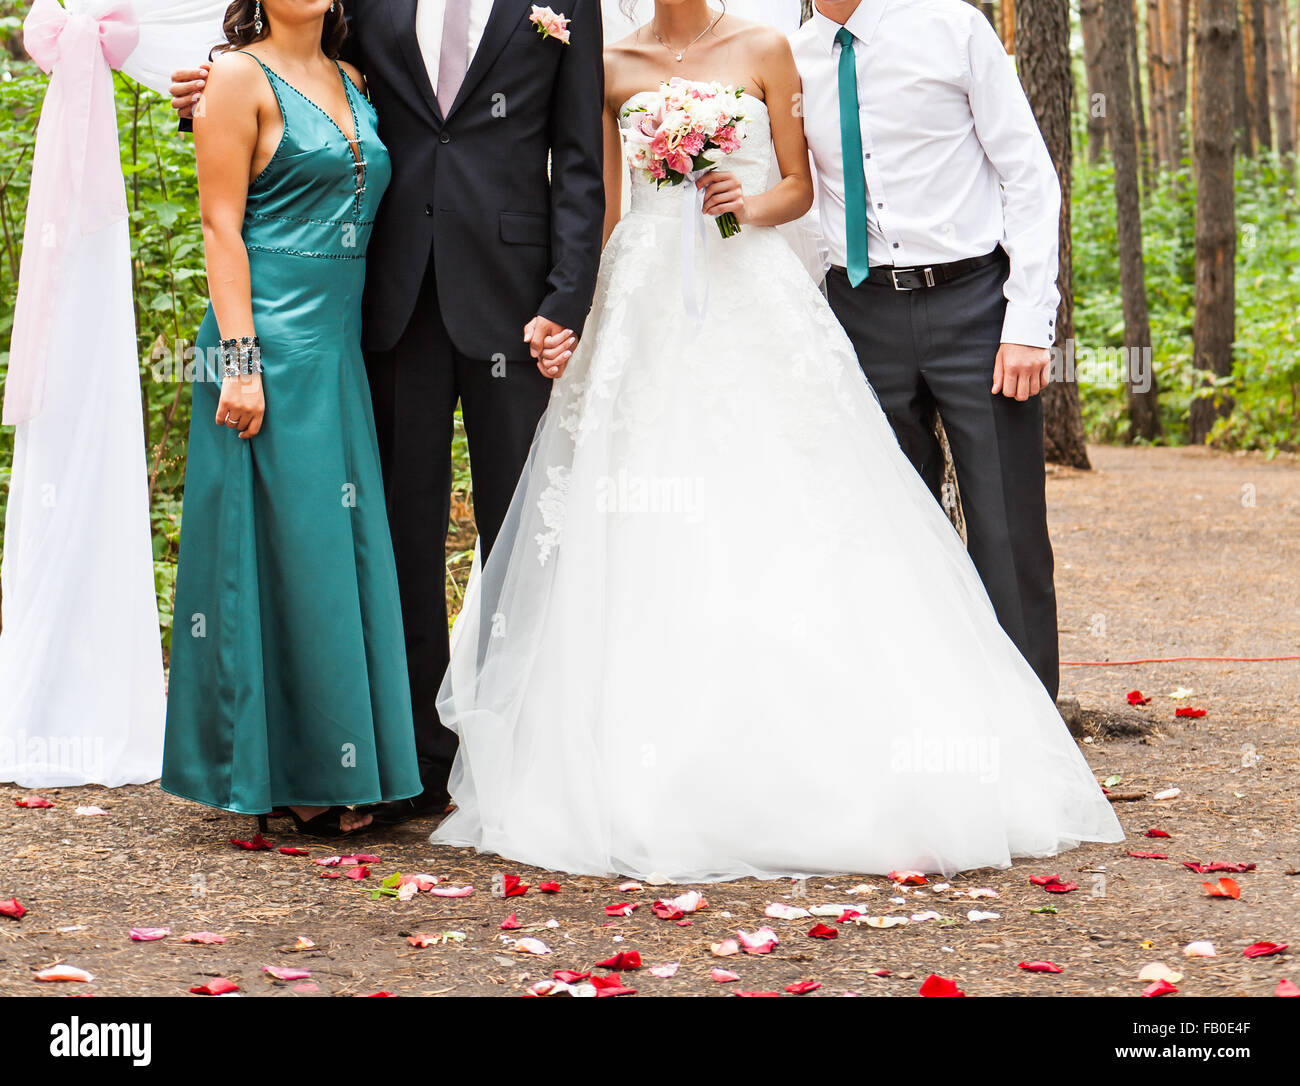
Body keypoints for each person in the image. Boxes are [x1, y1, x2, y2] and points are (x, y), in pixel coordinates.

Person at [426, 0, 1124, 881]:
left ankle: (1011, 735)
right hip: (714, 298)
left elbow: (828, 184)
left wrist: (741, 207)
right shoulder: (635, 60)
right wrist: (573, 310)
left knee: (969, 524)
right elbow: (596, 204)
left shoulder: (822, 41)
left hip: (864, 293)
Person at [170, 0, 608, 823]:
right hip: (385, 305)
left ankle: (526, 752)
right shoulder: (362, 1)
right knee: (393, 533)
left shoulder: (565, 4)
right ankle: (412, 758)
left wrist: (568, 296)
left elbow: (580, 159)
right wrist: (201, 85)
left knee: (522, 532)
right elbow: (282, 70)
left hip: (516, 303)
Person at [161, 0, 421, 837]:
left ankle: (344, 764)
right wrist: (240, 363)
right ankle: (282, 773)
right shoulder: (234, 75)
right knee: (279, 551)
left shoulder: (355, 78)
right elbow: (219, 225)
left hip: (338, 348)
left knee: (329, 554)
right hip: (265, 341)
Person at [792, 0, 1064, 698]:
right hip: (858, 312)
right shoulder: (795, 58)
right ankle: (920, 715)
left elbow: (1030, 177)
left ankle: (1031, 734)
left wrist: (1028, 321)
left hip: (974, 304)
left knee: (1006, 534)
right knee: (887, 528)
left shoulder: (953, 27)